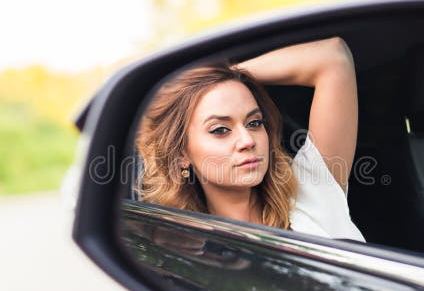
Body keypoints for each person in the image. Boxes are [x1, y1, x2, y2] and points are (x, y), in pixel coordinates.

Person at [135, 37, 365, 241]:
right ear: (181, 154)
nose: (247, 140)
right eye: (220, 130)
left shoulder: (311, 193)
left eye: (254, 123)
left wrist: (232, 75)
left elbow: (333, 57)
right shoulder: (181, 245)